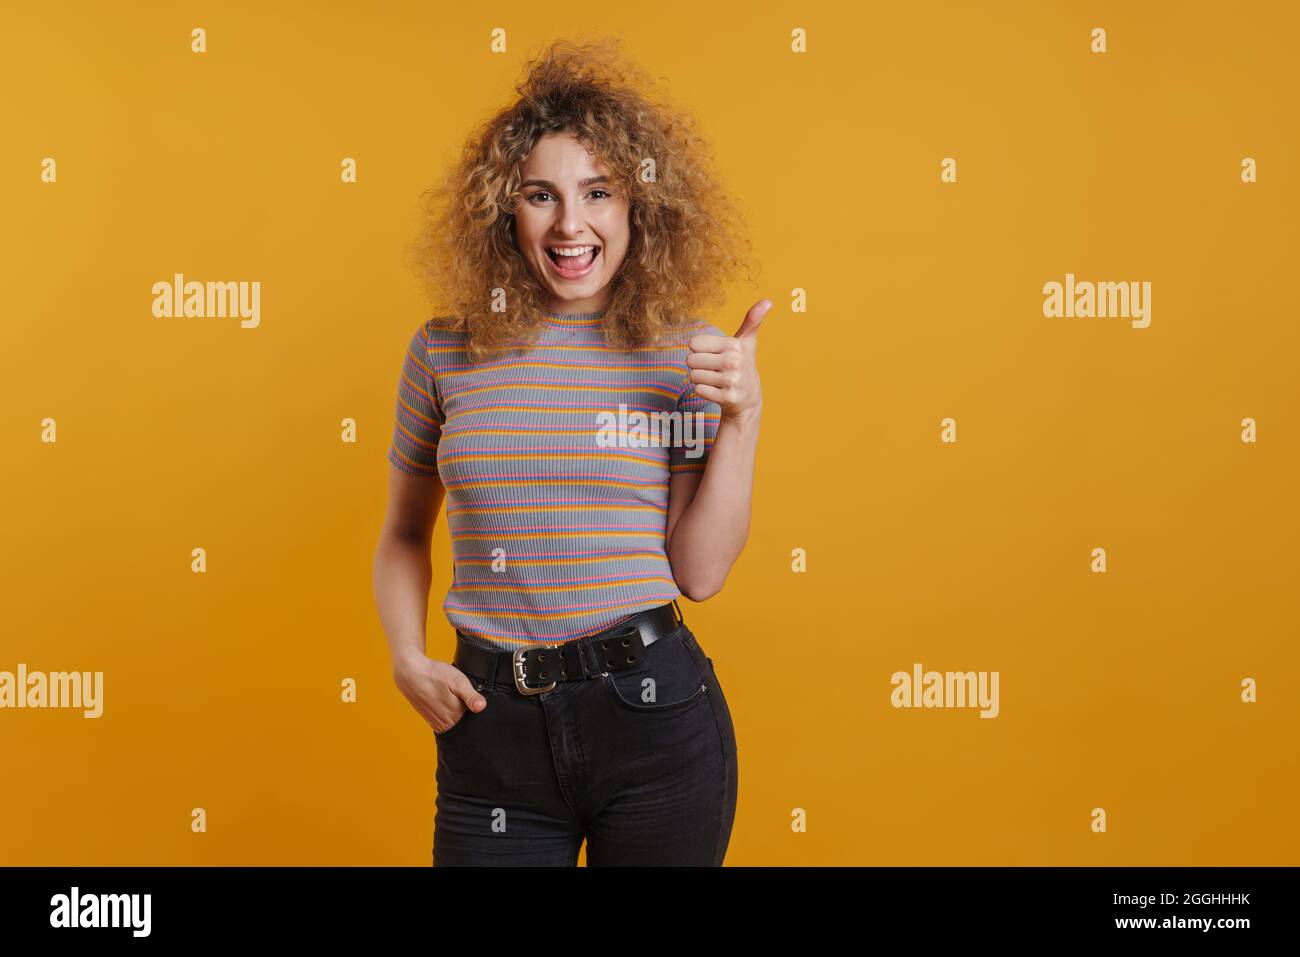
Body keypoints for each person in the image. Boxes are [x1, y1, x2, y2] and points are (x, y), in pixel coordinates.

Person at [372, 38, 767, 866]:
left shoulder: (681, 353)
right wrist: (408, 657)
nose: (570, 224)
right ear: (502, 210)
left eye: (598, 193)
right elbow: (406, 534)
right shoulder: (444, 351)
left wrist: (742, 416)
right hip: (492, 731)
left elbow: (698, 572)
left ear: (637, 208)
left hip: (652, 717)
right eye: (540, 195)